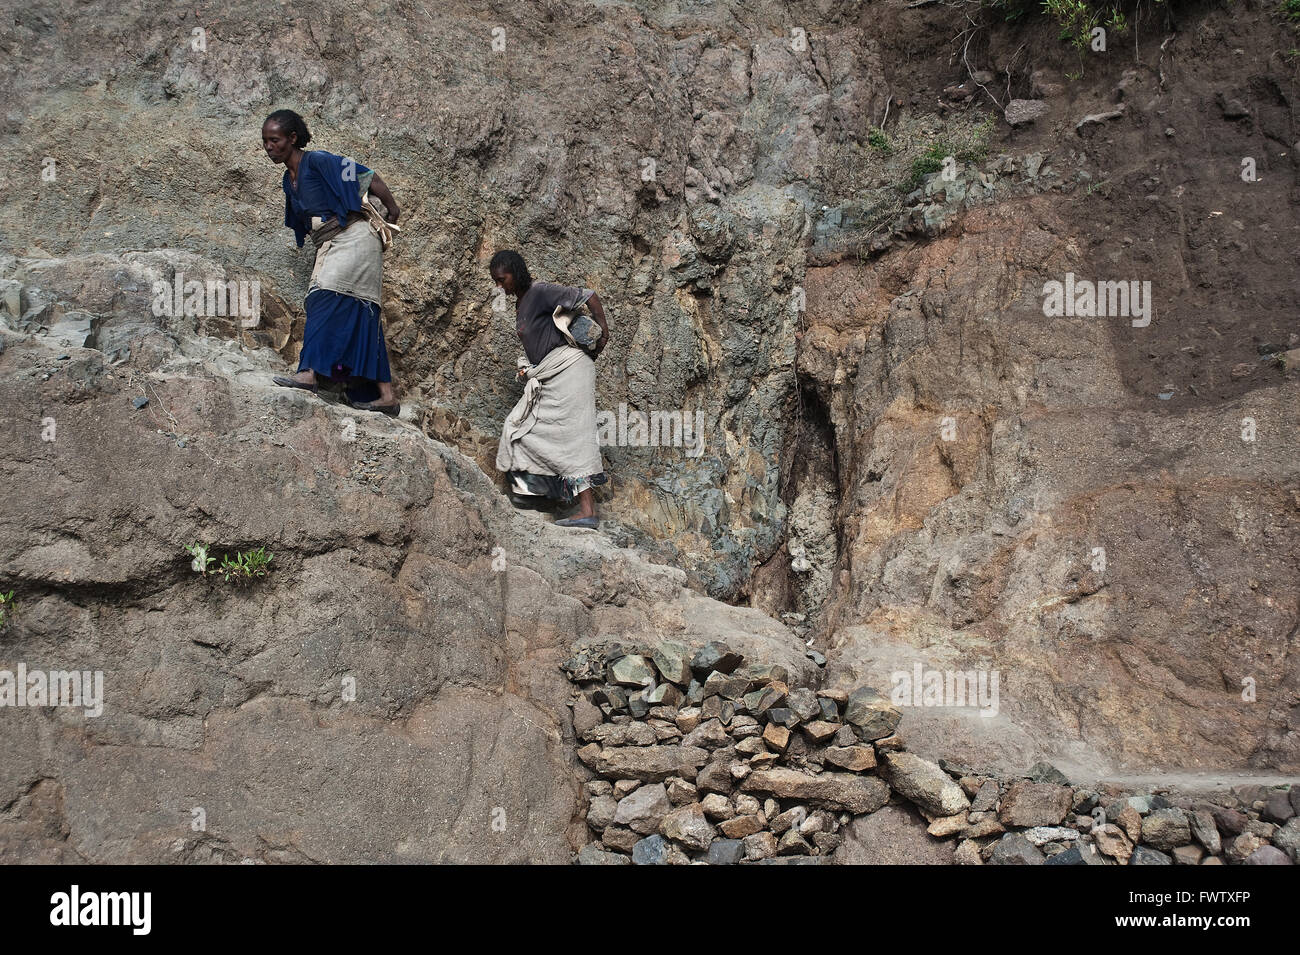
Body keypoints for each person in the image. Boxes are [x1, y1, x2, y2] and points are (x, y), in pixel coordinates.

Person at [262, 108, 402, 415]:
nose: (269, 147)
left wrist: (392, 209)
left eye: (275, 140)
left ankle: (308, 373)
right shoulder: (290, 179)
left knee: (323, 298)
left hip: (356, 237)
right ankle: (383, 395)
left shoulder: (319, 161)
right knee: (357, 307)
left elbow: (366, 176)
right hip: (331, 243)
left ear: (293, 138)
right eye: (266, 142)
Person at [491, 250, 609, 528]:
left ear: (515, 273)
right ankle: (537, 495)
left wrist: (604, 332)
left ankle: (587, 511)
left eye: (502, 279)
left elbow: (589, 294)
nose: (499, 286)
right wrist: (527, 368)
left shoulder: (540, 291)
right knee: (519, 427)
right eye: (495, 281)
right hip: (548, 373)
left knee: (575, 437)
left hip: (570, 370)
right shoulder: (520, 303)